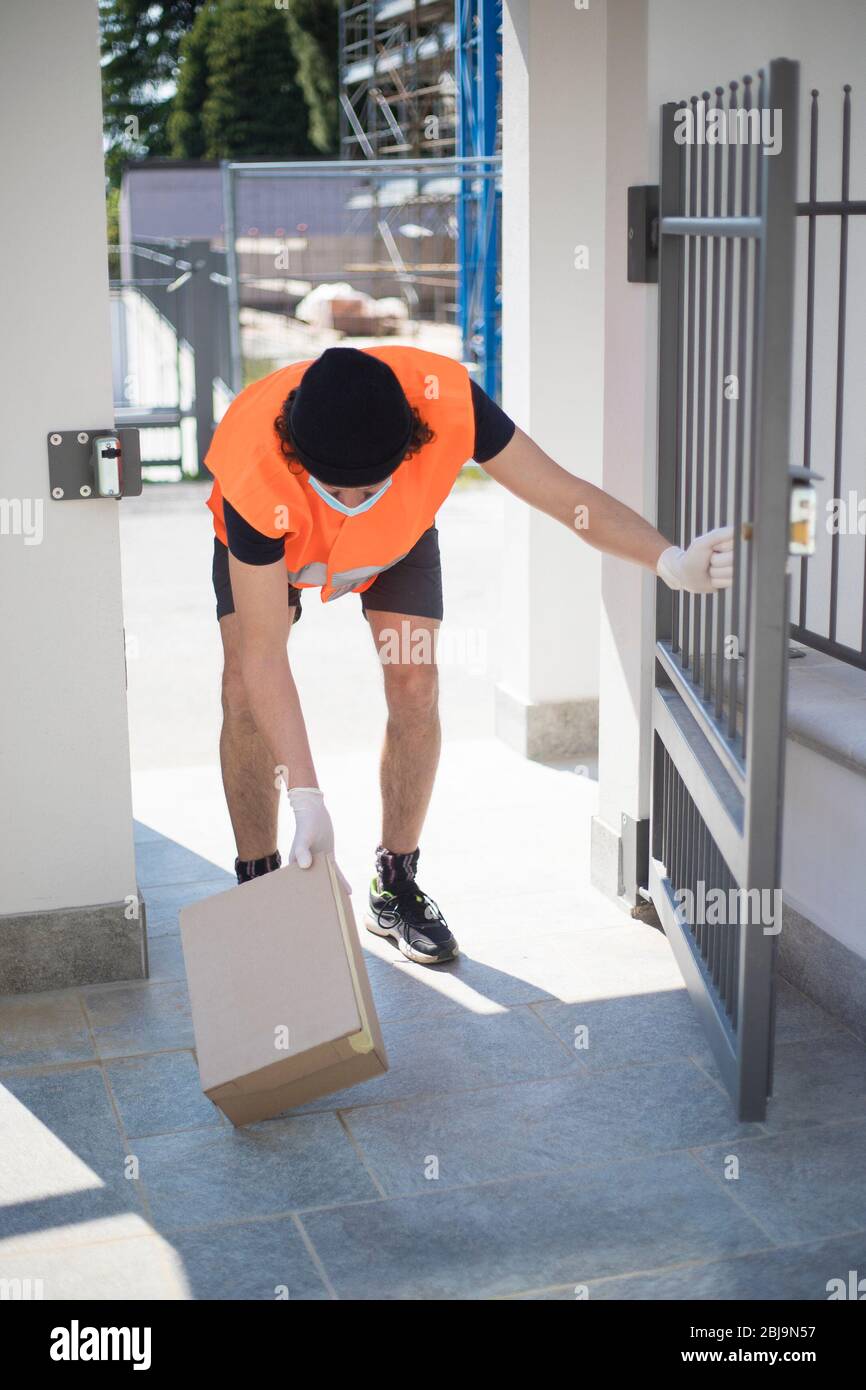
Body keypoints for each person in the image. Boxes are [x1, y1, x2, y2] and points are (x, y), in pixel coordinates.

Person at [205, 345, 732, 965]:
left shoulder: (451, 402)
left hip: (395, 542)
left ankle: (394, 884)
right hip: (276, 538)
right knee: (243, 690)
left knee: (415, 686)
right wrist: (307, 798)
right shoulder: (253, 458)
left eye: (365, 487)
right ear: (297, 452)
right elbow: (266, 657)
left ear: (409, 447)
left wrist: (669, 561)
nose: (347, 502)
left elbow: (567, 498)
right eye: (334, 488)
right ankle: (263, 885)